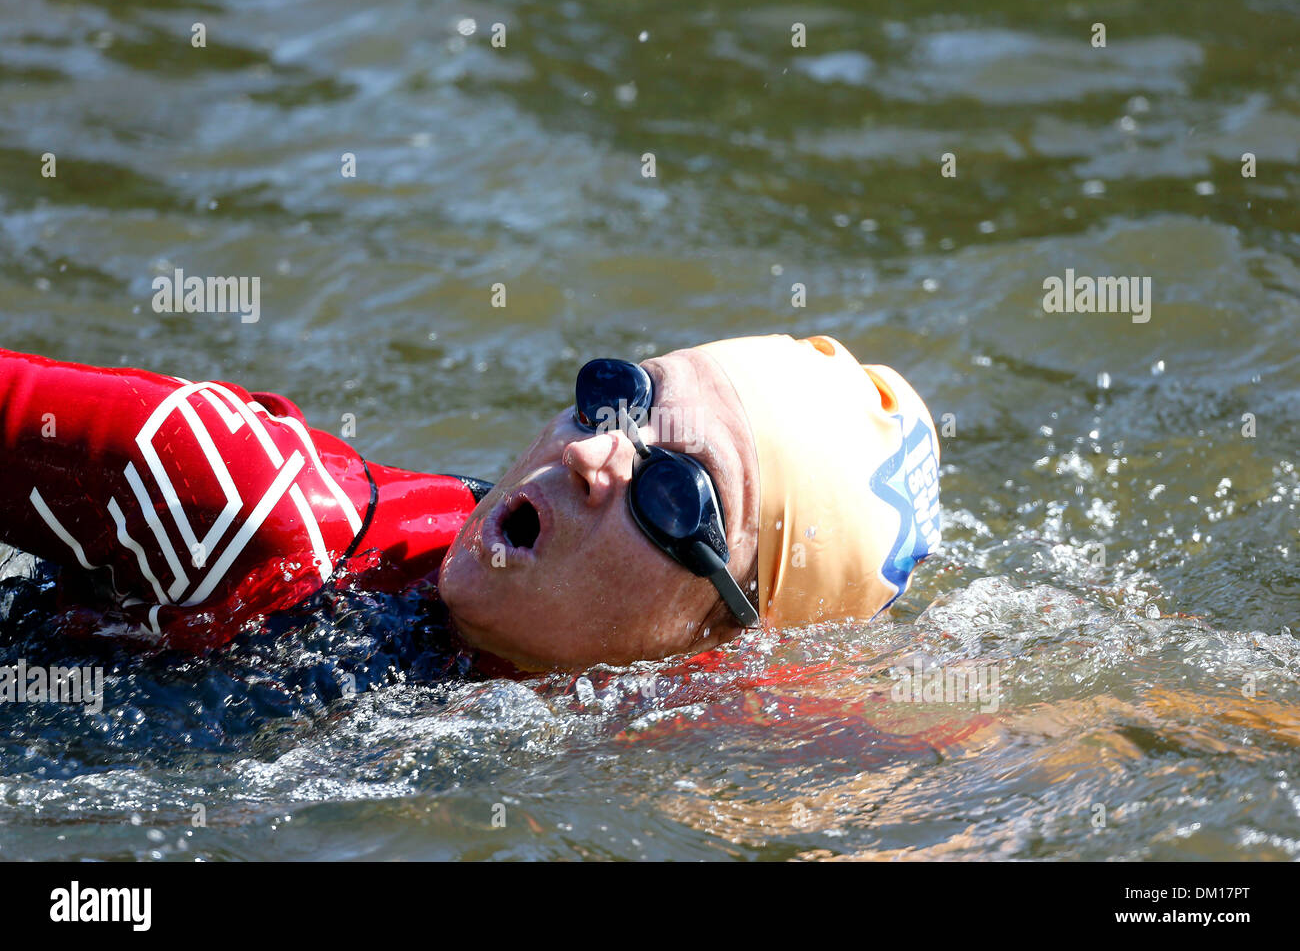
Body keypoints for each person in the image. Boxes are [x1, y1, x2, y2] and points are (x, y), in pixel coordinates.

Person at [0, 334, 941, 671]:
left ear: (727, 643)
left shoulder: (702, 705)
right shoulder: (239, 505)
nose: (594, 453)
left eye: (674, 493)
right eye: (618, 397)